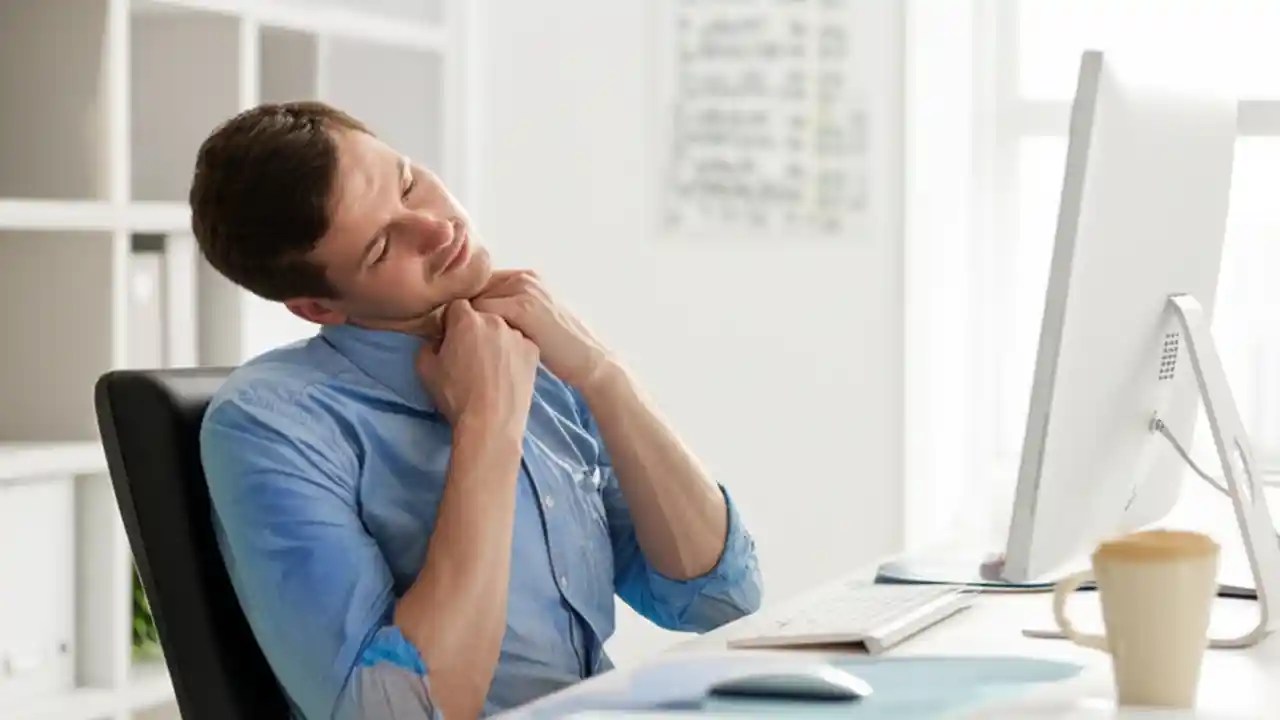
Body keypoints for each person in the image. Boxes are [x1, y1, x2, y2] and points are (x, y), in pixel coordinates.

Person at [191, 101, 763, 720]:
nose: (437, 228)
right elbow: (394, 715)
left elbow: (717, 598)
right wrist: (488, 422)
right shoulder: (270, 424)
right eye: (383, 247)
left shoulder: (525, 348)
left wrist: (602, 372)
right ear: (318, 308)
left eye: (408, 182)